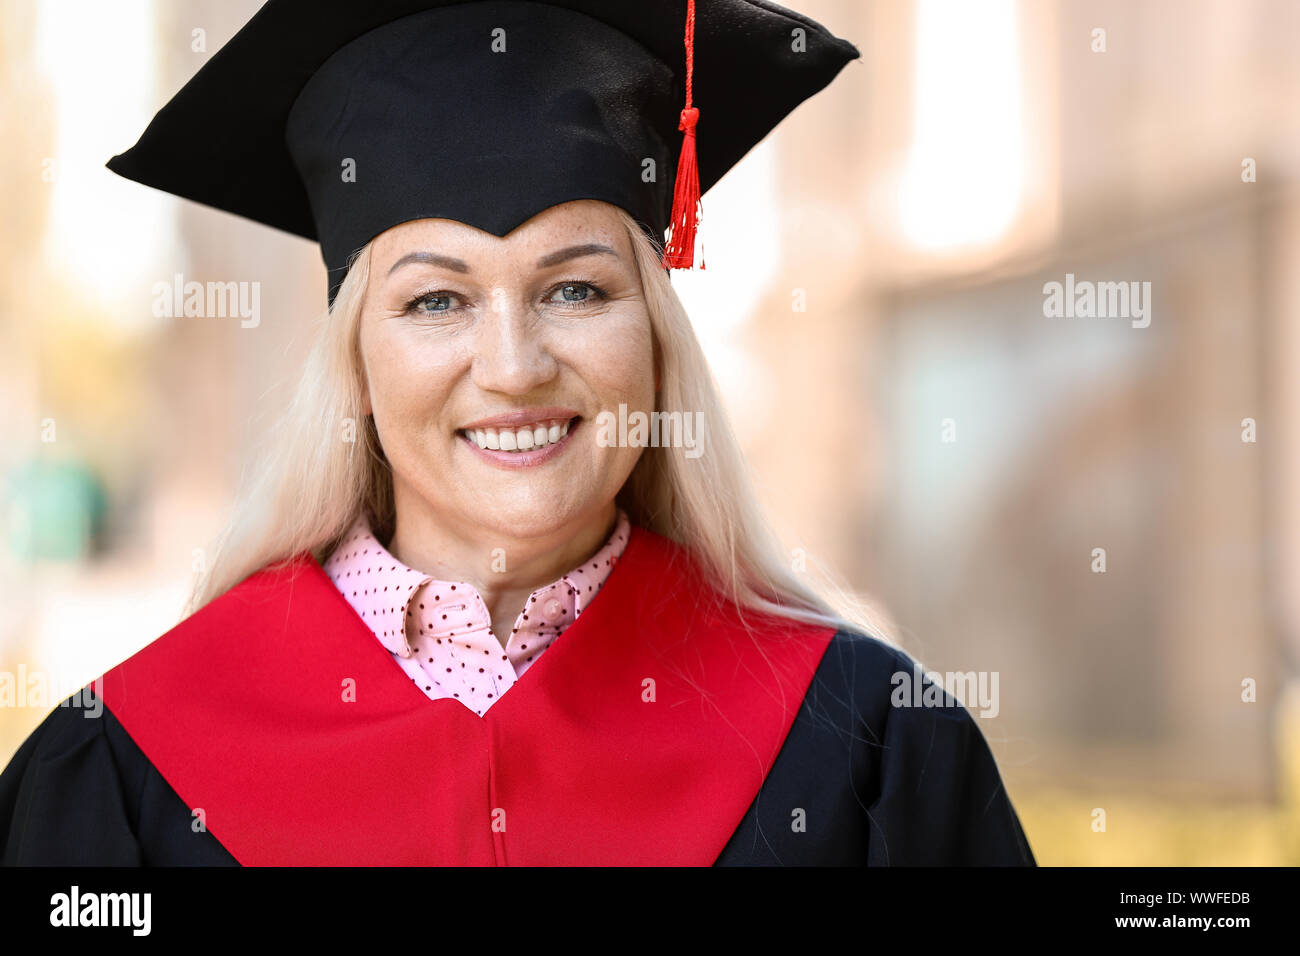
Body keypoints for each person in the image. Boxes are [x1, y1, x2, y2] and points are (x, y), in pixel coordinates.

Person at [0, 0, 1034, 866]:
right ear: (355, 364)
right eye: (436, 301)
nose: (513, 366)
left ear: (657, 339)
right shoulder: (126, 772)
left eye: (576, 288)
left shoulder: (865, 746)